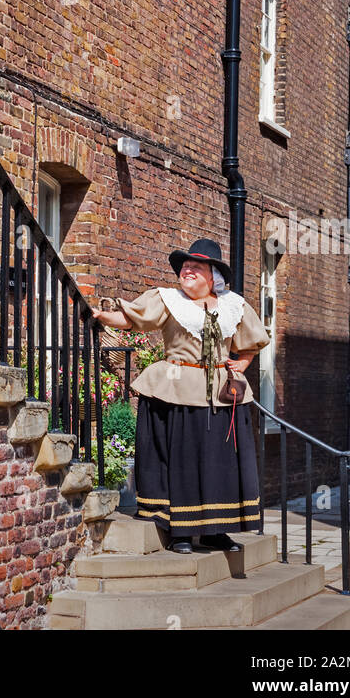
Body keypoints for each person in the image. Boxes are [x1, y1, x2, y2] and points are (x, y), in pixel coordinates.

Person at [92, 237, 270, 554]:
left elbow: (251, 343)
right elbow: (133, 319)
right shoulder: (167, 299)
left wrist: (239, 364)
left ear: (213, 275)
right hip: (176, 388)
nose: (187, 269)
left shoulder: (233, 305)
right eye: (184, 265)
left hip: (219, 393)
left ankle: (217, 530)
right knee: (182, 463)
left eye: (195, 266)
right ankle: (180, 532)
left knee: (218, 465)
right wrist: (105, 317)